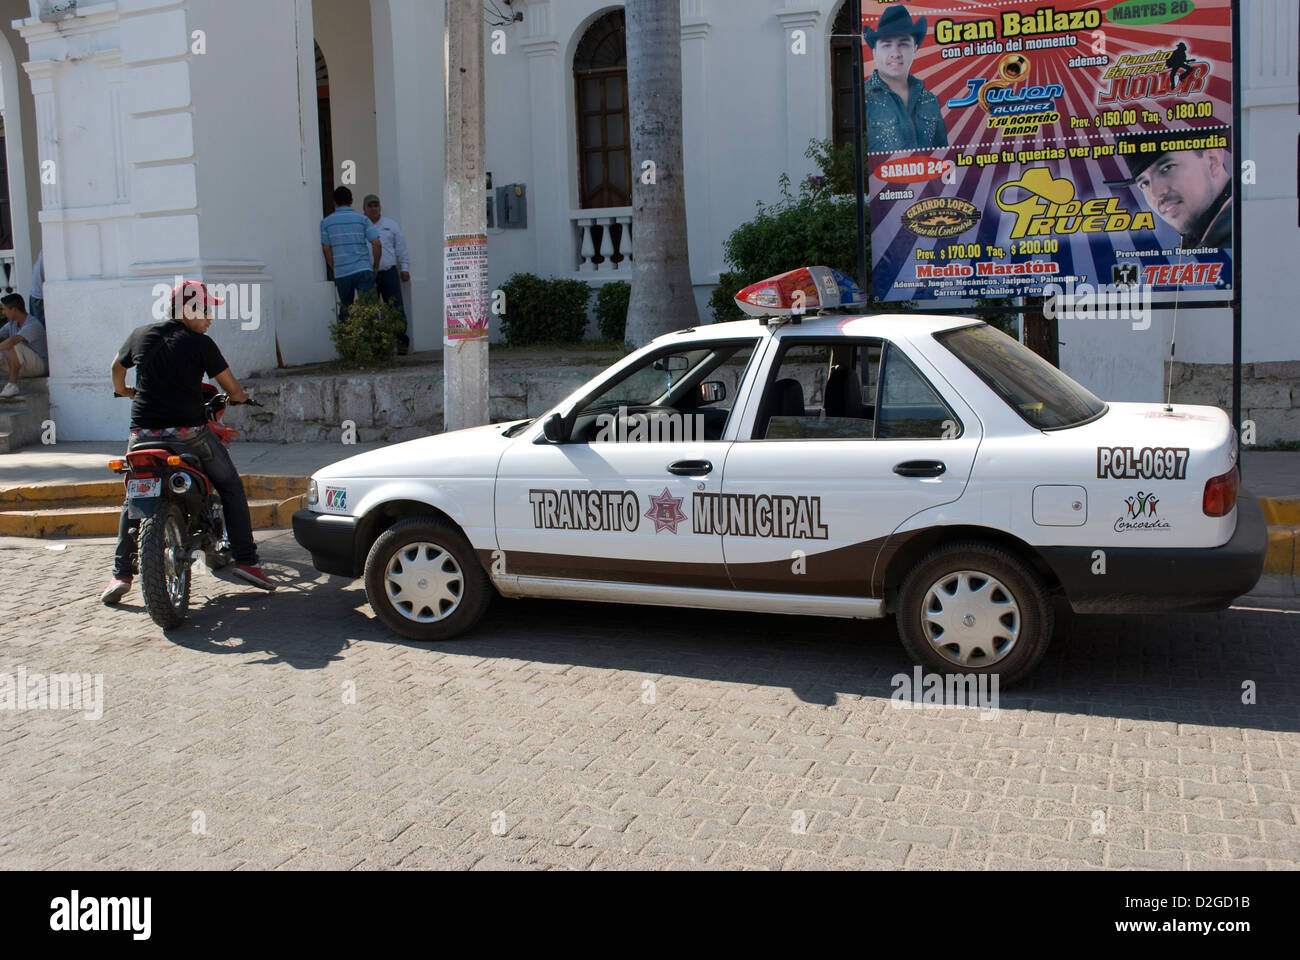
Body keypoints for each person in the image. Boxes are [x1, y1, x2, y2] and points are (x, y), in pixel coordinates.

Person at [100, 280, 274, 605]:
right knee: (230, 484)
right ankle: (248, 561)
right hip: (187, 435)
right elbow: (230, 386)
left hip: (141, 436)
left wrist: (125, 391)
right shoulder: (200, 343)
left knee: (134, 496)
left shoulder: (140, 334)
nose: (210, 318)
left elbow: (115, 369)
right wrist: (240, 398)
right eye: (207, 310)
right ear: (189, 310)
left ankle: (120, 574)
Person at [1106, 134, 1232, 250]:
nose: (1155, 193)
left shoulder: (1240, 235)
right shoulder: (1207, 240)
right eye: (1144, 183)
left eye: (1167, 168)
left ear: (1212, 160)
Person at [863, 5, 948, 153]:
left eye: (903, 44)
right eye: (886, 45)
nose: (895, 53)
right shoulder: (863, 98)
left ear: (914, 47)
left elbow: (943, 153)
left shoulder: (930, 100)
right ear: (874, 51)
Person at [320, 186, 381, 326]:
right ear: (352, 201)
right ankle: (373, 343)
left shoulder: (326, 222)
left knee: (346, 310)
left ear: (334, 202)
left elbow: (326, 248)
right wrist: (375, 266)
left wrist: (334, 267)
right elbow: (377, 243)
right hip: (363, 268)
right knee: (369, 311)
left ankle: (347, 344)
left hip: (342, 272)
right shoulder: (362, 220)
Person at [362, 194, 412, 355]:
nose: (373, 208)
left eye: (376, 204)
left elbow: (401, 248)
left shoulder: (391, 225)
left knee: (395, 306)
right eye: (370, 205)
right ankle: (375, 344)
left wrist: (404, 268)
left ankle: (401, 342)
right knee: (369, 309)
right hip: (368, 273)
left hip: (389, 271)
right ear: (364, 209)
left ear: (380, 207)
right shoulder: (361, 226)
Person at [0, 293, 48, 399]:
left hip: (39, 367)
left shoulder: (32, 324)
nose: (3, 313)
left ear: (14, 310)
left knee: (13, 343)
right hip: (23, 367)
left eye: (5, 309)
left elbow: (11, 342)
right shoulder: (12, 323)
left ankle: (12, 385)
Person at [29, 251, 44, 325]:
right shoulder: (45, 252)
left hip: (37, 294)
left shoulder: (43, 252)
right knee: (40, 327)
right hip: (39, 296)